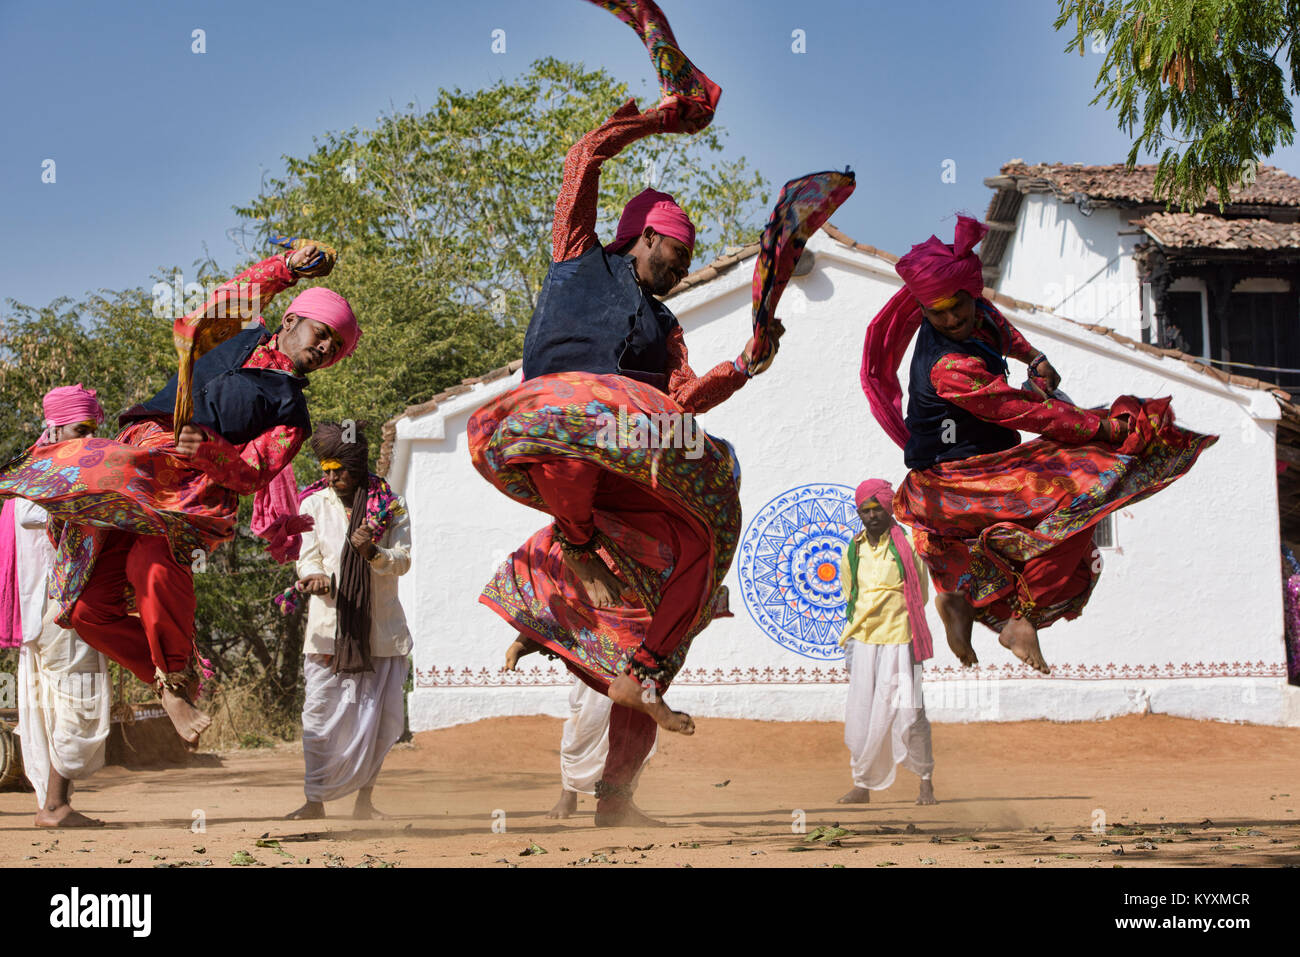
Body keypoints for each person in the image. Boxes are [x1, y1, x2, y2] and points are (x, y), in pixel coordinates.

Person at [472, 0, 767, 826]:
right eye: (673, 255)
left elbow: (681, 399)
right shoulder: (577, 258)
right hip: (554, 424)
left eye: (683, 260)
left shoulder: (666, 324)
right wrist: (661, 121)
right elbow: (581, 156)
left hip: (626, 449)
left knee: (695, 546)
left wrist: (746, 362)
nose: (678, 270)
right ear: (639, 237)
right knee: (575, 437)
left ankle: (620, 776)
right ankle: (561, 563)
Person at [0, 242, 359, 745]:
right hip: (132, 459)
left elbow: (254, 470)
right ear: (293, 319)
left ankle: (172, 684)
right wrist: (285, 269)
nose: (325, 349)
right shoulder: (232, 334)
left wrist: (208, 450)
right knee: (85, 611)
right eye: (322, 334)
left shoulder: (291, 415)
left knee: (151, 564)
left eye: (335, 348)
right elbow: (204, 314)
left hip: (189, 486)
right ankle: (175, 669)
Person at [862, 215, 1216, 673]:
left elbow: (1000, 329)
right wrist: (1102, 428)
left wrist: (1035, 357)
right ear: (924, 312)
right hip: (949, 485)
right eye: (937, 312)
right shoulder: (948, 366)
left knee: (1077, 505)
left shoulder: (980, 314)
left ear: (972, 292)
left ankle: (957, 601)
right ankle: (1018, 621)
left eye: (958, 306)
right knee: (1083, 491)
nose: (952, 319)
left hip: (989, 464)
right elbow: (1024, 411)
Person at [286, 424, 412, 821]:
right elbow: (306, 557)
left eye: (338, 469)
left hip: (381, 634)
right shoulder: (312, 505)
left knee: (379, 721)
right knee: (321, 714)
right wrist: (316, 577)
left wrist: (373, 553)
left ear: (357, 466)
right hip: (329, 633)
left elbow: (403, 560)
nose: (330, 477)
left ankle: (364, 803)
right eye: (325, 469)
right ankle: (314, 801)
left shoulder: (391, 507)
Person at [3, 386, 110, 827]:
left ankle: (52, 803)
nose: (88, 438)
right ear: (56, 426)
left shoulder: (41, 469)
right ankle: (55, 806)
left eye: (92, 430)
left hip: (50, 605)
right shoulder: (42, 473)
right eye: (81, 429)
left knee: (51, 700)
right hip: (57, 604)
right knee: (74, 697)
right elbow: (35, 512)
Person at [836, 479, 935, 806]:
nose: (872, 516)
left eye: (878, 508)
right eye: (865, 511)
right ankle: (861, 785)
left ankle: (925, 783)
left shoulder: (909, 545)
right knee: (863, 710)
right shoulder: (854, 549)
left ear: (889, 508)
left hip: (902, 639)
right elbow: (851, 593)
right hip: (863, 641)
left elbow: (920, 590)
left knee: (912, 709)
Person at [544, 676, 657, 819]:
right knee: (585, 724)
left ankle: (622, 801)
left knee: (637, 728)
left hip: (639, 664)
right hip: (596, 661)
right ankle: (568, 791)